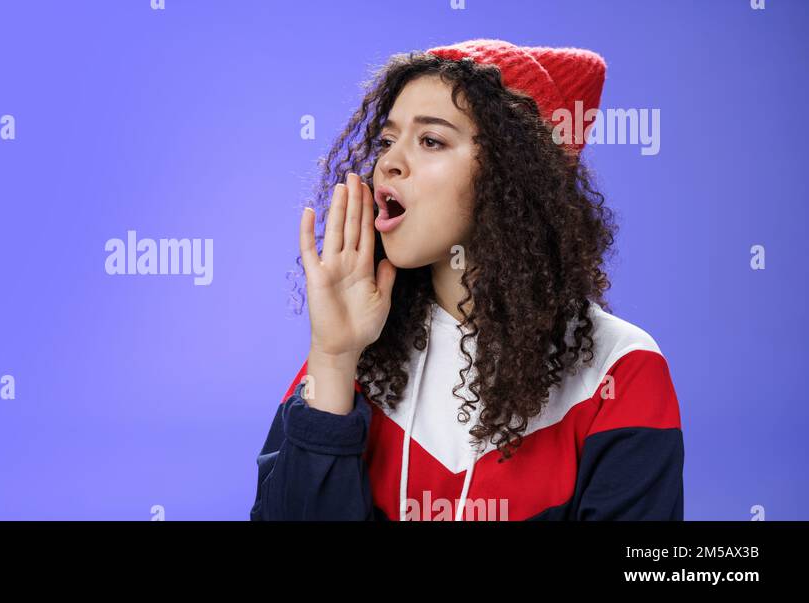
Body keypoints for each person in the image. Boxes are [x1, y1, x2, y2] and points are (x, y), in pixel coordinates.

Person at [251, 39, 683, 521]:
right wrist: (332, 358)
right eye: (387, 141)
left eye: (431, 140)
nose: (388, 163)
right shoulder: (358, 355)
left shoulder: (619, 371)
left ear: (513, 176)